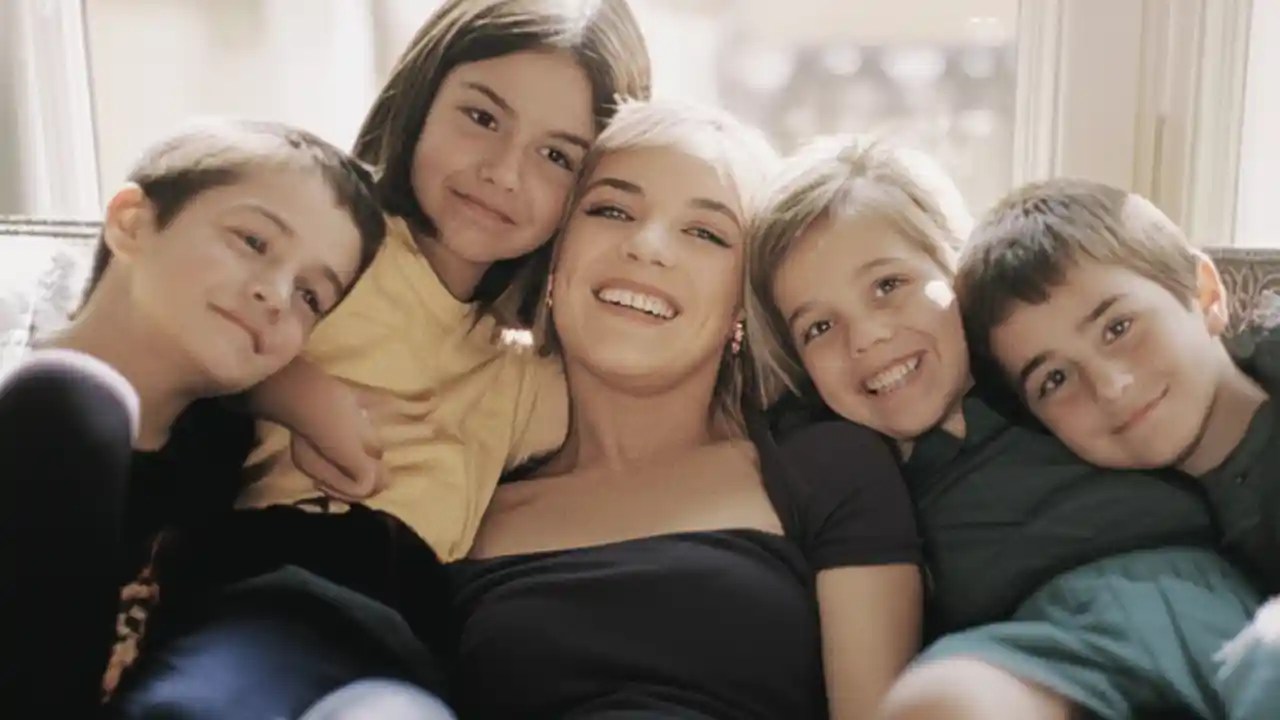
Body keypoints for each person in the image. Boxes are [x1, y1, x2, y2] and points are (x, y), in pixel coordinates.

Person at [115, 1, 652, 717]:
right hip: (263, 590)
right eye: (483, 118)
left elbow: (669, 397)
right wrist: (295, 392)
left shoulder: (525, 379)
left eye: (557, 156)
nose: (502, 172)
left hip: (403, 641)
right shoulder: (329, 242)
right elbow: (156, 318)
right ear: (422, 97)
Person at [746, 137, 1271, 719]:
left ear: (957, 270)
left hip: (1198, 607)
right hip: (1039, 658)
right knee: (939, 703)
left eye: (888, 285)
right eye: (818, 327)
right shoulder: (844, 468)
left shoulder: (1046, 375)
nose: (865, 337)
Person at [450, 99, 923, 720]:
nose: (646, 247)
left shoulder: (823, 467)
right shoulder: (467, 492)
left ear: (742, 306)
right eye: (612, 210)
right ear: (555, 258)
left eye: (705, 233)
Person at [0, 118, 386, 717]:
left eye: (312, 296)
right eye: (254, 242)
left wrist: (304, 399)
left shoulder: (214, 455)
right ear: (133, 222)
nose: (277, 294)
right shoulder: (41, 403)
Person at [955, 176, 1280, 716]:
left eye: (1118, 327)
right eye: (1054, 380)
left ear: (1206, 294)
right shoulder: (1144, 527)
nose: (1110, 386)